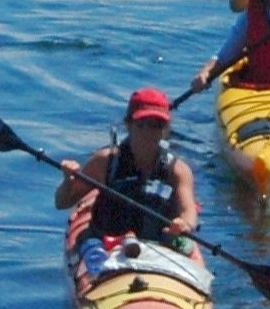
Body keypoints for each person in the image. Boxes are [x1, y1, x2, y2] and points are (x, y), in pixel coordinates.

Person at [58, 88, 203, 294]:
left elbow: (189, 211)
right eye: (142, 124)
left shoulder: (178, 170)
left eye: (157, 125)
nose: (149, 133)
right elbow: (62, 202)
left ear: (166, 129)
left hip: (159, 243)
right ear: (129, 125)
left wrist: (184, 224)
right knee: (92, 257)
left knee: (186, 249)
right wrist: (68, 181)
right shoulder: (106, 162)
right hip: (105, 242)